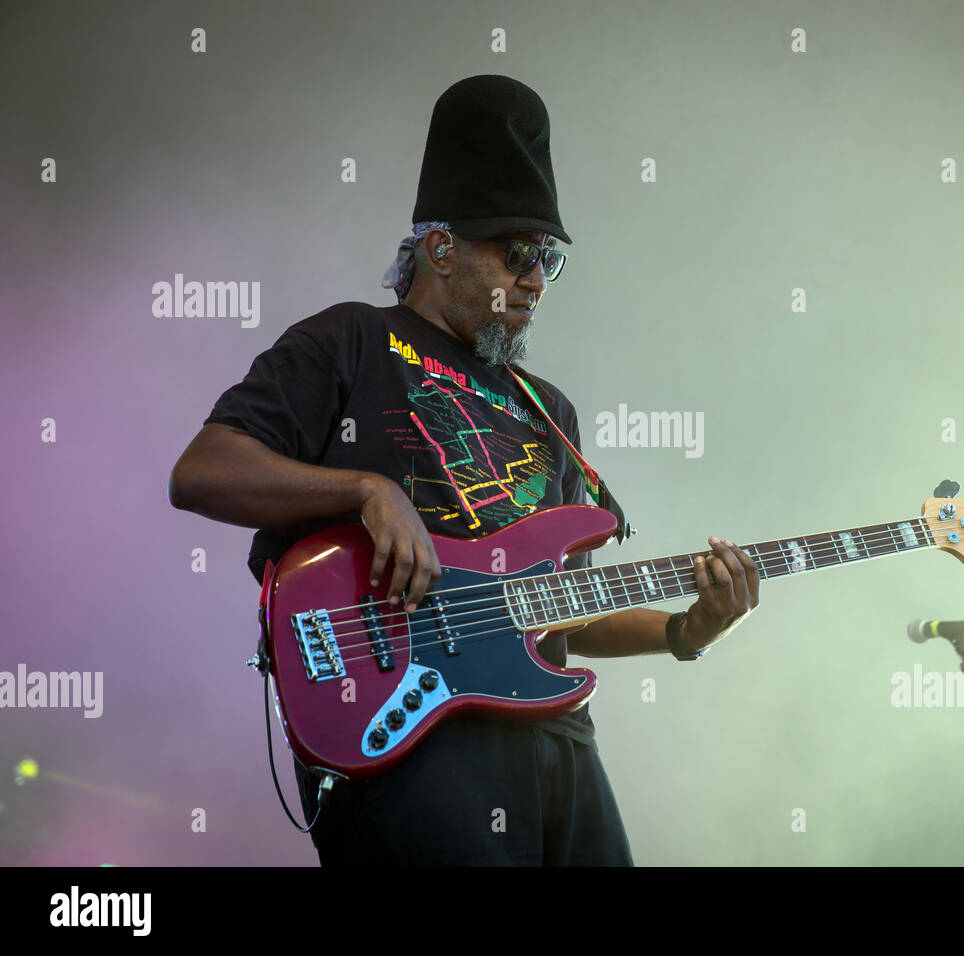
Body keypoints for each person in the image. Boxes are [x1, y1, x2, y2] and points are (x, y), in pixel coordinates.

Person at [167, 74, 760, 866]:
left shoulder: (549, 409)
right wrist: (366, 490)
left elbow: (563, 609)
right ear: (441, 249)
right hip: (409, 730)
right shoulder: (349, 341)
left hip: (559, 744)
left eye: (548, 258)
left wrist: (691, 629)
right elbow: (202, 471)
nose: (536, 280)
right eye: (518, 254)